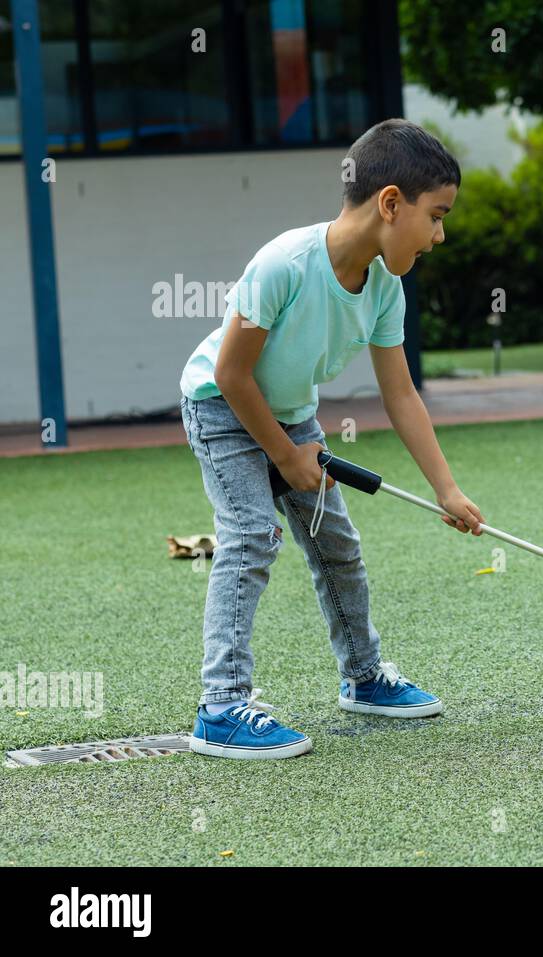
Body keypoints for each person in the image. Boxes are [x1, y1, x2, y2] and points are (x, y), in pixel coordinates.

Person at [178, 119, 485, 759]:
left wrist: (448, 490)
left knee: (336, 544)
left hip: (291, 417)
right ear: (391, 203)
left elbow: (400, 395)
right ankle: (221, 705)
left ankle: (364, 677)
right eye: (436, 215)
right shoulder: (285, 264)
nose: (440, 234)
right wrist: (286, 457)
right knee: (251, 535)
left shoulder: (384, 289)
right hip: (220, 409)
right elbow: (232, 374)